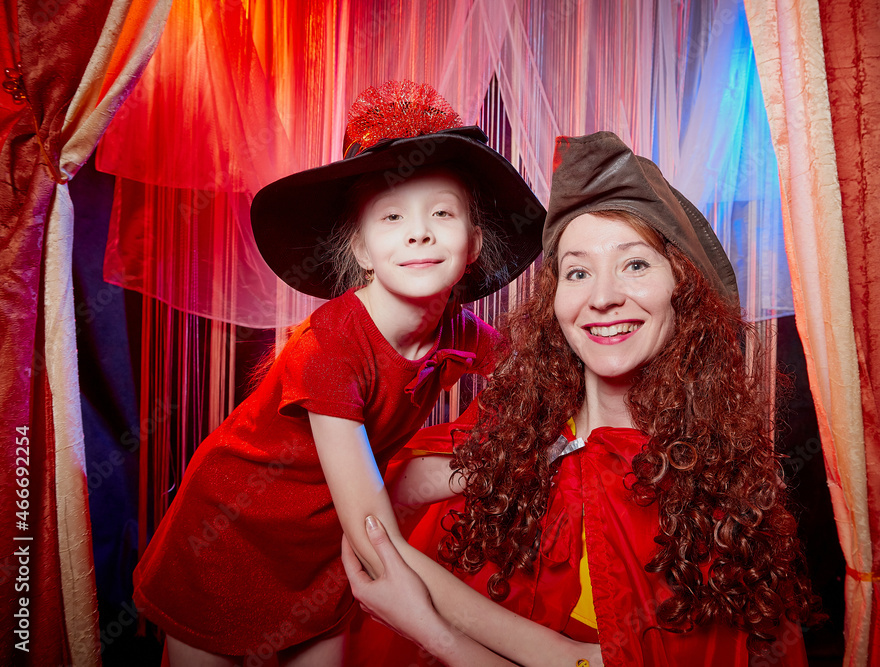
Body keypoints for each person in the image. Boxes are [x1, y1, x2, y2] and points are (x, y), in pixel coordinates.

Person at [133, 81, 600, 667]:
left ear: (474, 242)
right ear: (359, 248)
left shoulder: (461, 332)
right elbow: (375, 534)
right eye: (392, 216)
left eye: (442, 213)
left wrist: (566, 443)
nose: (419, 231)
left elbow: (541, 383)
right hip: (231, 536)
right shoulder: (329, 346)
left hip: (327, 541)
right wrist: (537, 652)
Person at [344, 131, 824, 666]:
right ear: (555, 301)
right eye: (578, 271)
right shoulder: (510, 431)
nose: (602, 297)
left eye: (635, 264)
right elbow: (382, 512)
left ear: (681, 287)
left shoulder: (709, 481)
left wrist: (428, 625)